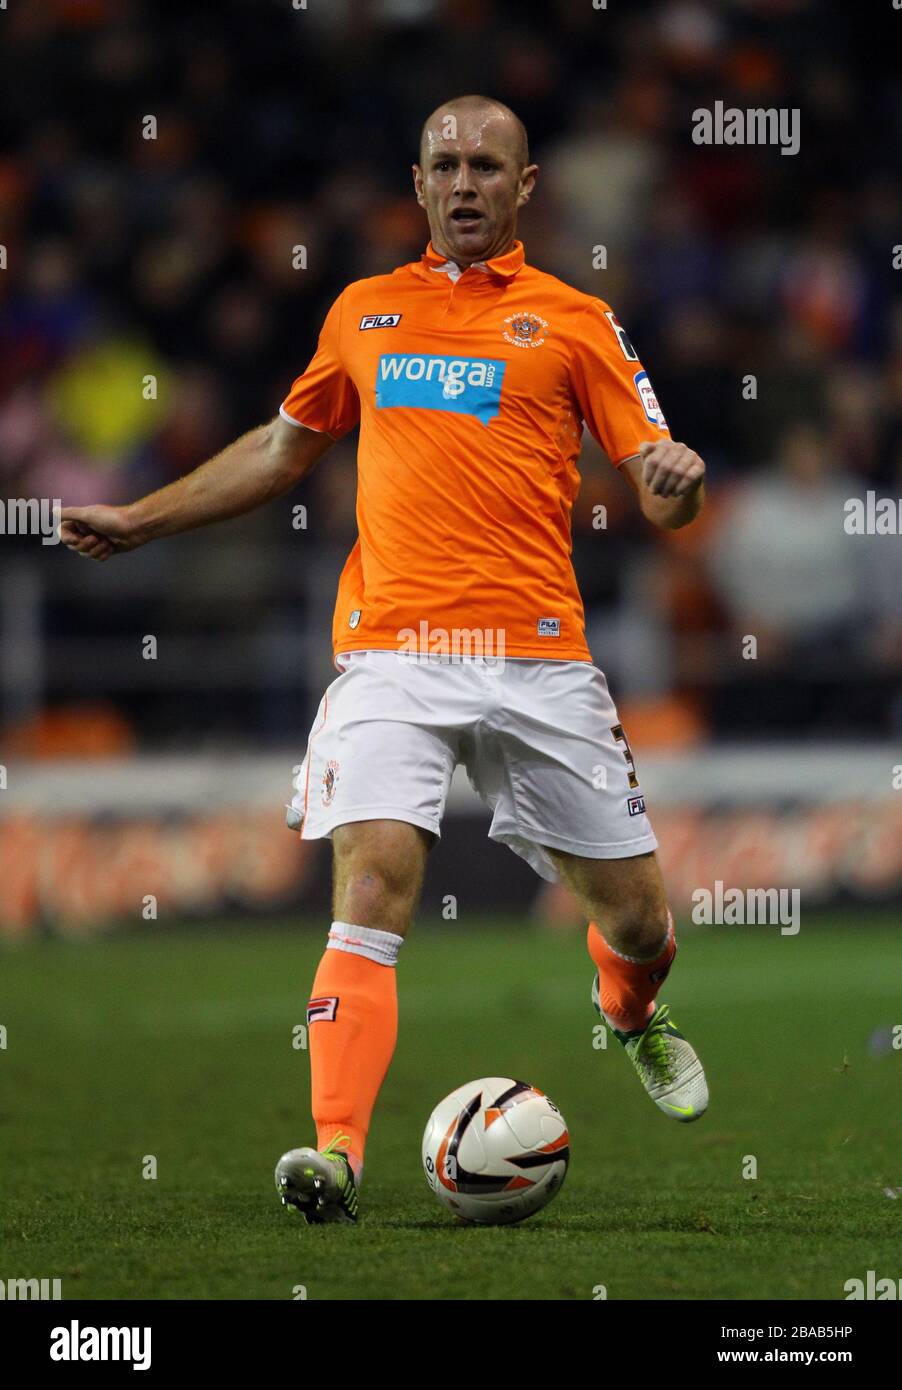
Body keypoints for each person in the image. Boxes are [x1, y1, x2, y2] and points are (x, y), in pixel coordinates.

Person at [60, 95, 709, 1226]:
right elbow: (278, 450)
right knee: (369, 885)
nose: (463, 184)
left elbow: (659, 475)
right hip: (389, 655)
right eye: (443, 166)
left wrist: (674, 483)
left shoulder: (572, 322)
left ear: (525, 188)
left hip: (536, 661)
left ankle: (629, 1014)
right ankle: (336, 1154)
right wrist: (143, 520)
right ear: (415, 186)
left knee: (641, 923)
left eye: (485, 167)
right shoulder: (362, 313)